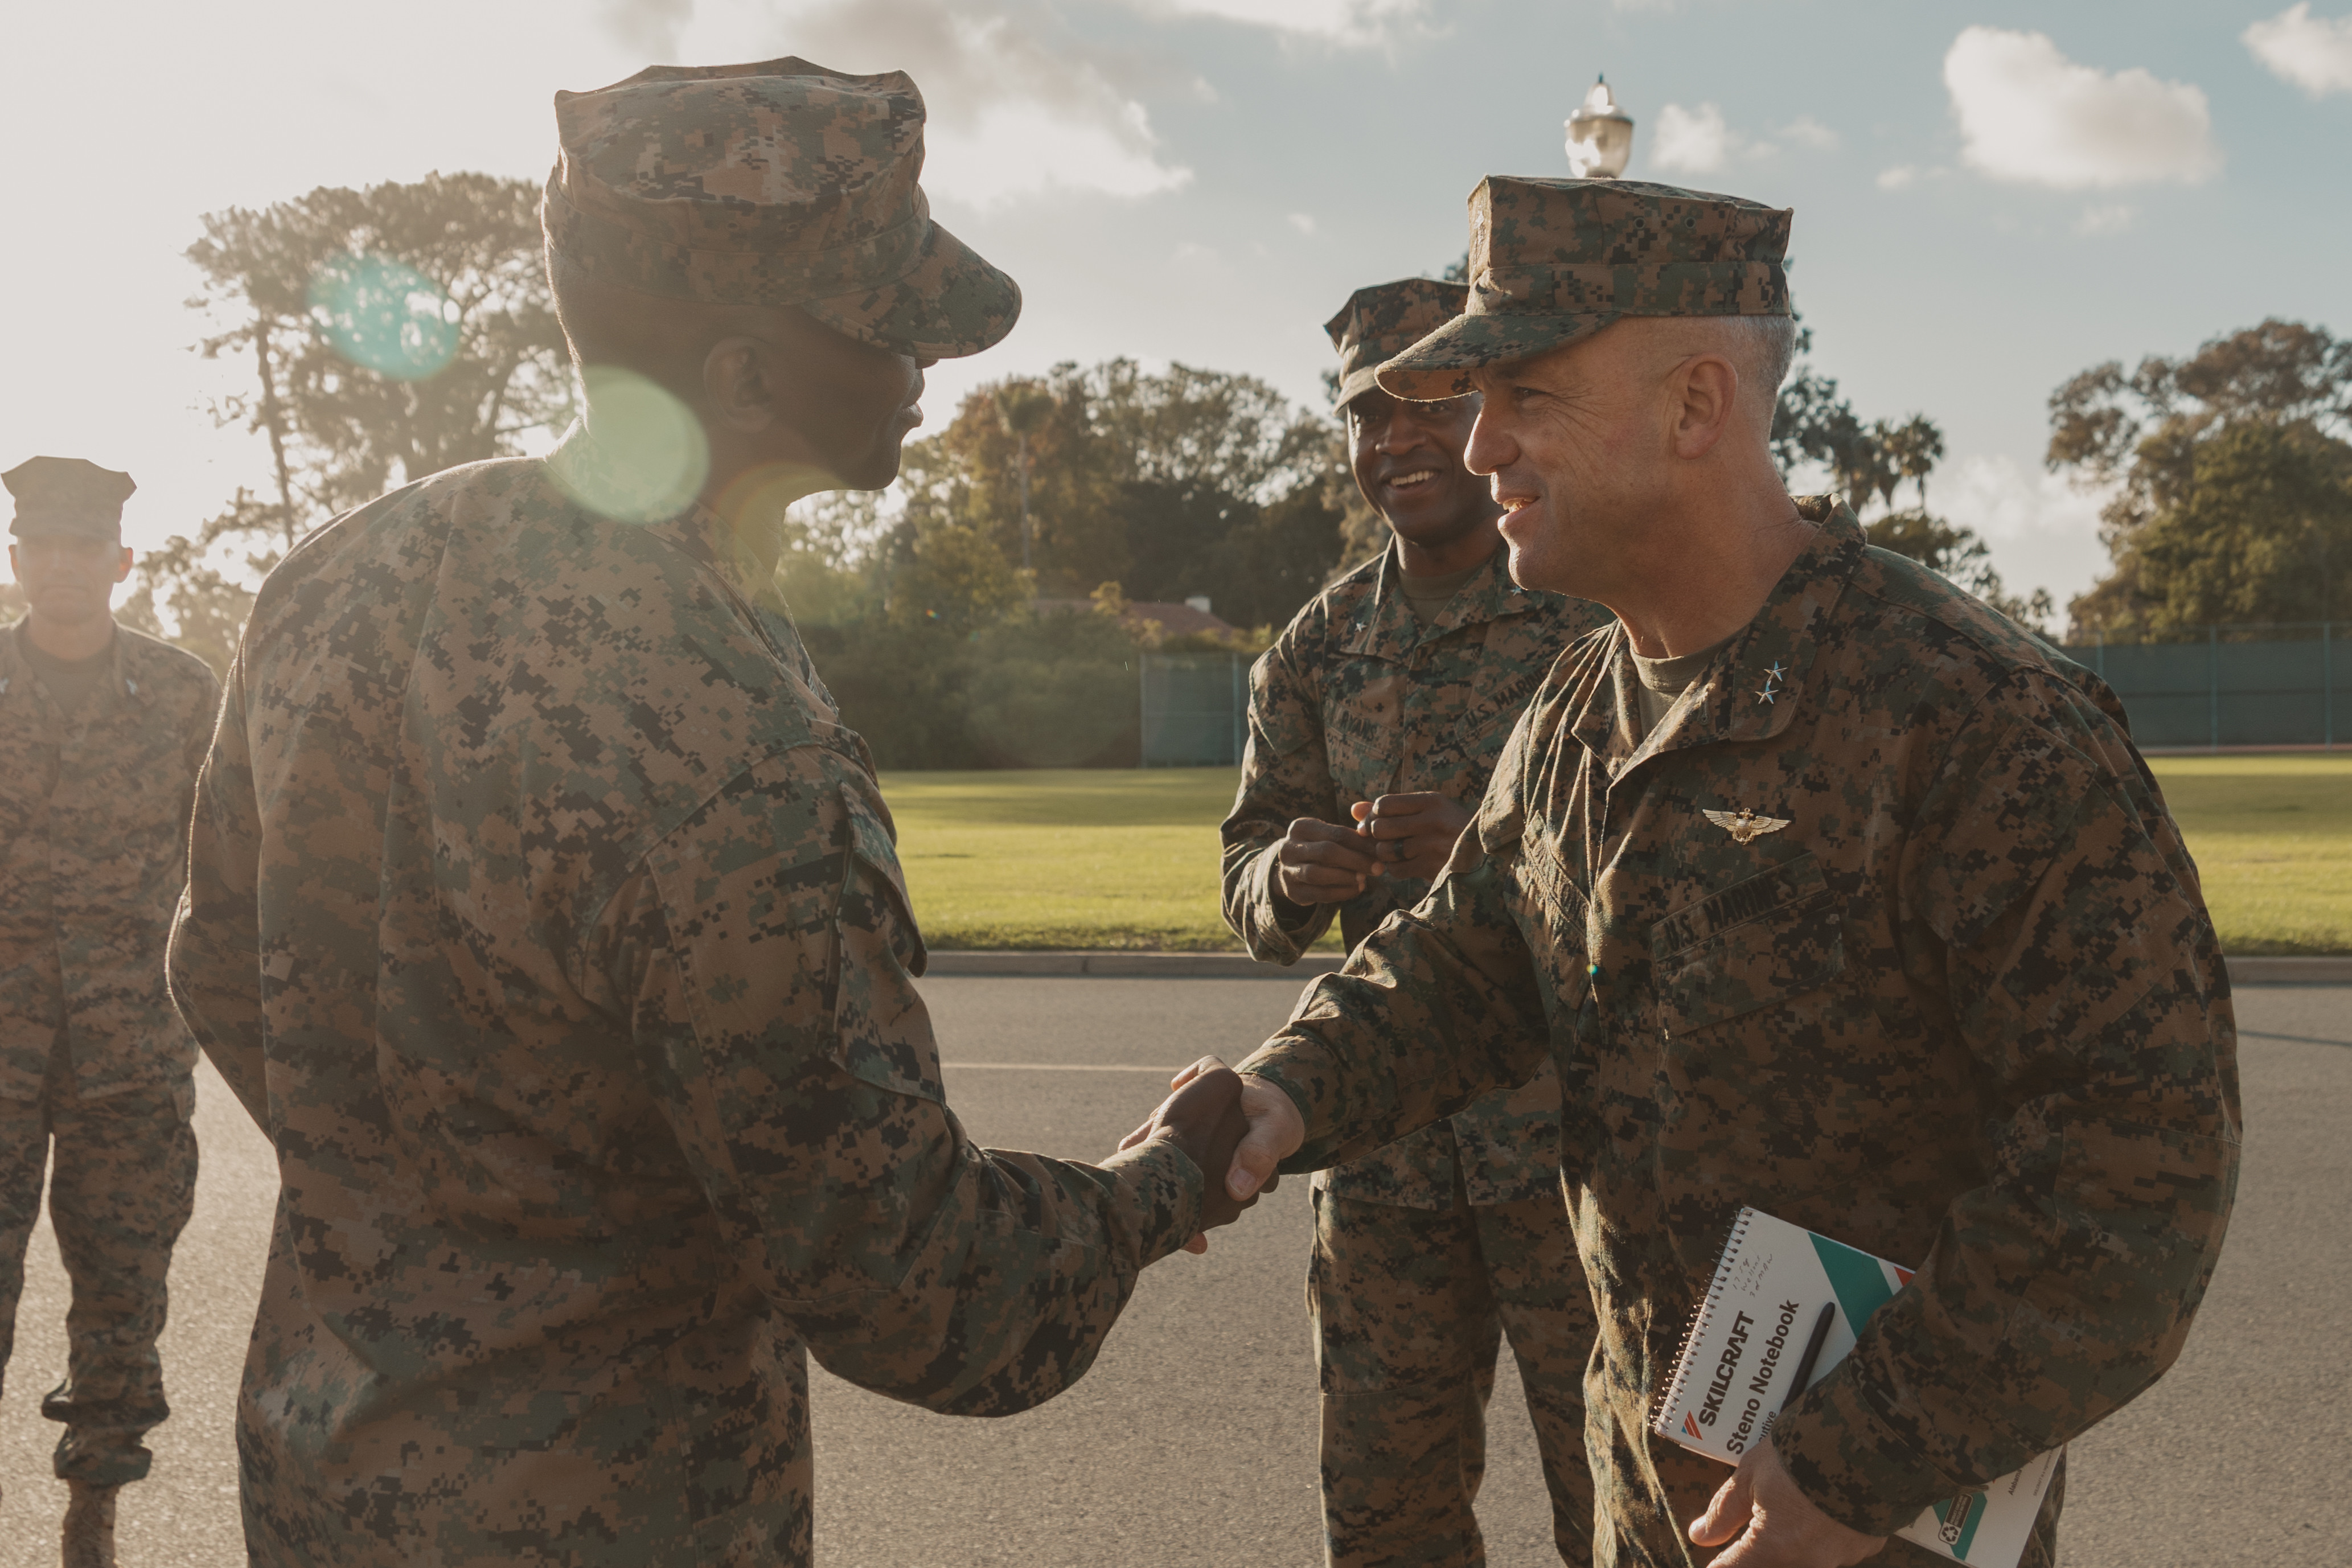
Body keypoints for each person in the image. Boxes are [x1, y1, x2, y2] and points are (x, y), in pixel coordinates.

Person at [166, 59, 1252, 1567]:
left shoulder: (333, 580)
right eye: (888, 324)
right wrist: (1160, 1185)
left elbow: (217, 965)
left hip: (326, 1483)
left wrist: (448, 1195)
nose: (925, 360)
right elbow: (921, 1292)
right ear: (744, 373)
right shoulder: (725, 732)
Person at [1187, 178, 2239, 1568]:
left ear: (1694, 407)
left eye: (1526, 396)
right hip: (1659, 1499)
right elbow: (1466, 961)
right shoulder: (1581, 707)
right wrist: (1282, 1096)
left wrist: (1859, 1459)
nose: (1479, 444)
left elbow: (2135, 1177)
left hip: (1861, 1527)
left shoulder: (1968, 720)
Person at [1220, 276, 1610, 1567]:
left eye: (1428, 406)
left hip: (1572, 1159)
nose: (1392, 443)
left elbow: (1686, 879)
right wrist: (1284, 873)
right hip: (1380, 1155)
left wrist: (1512, 862)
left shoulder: (1594, 617)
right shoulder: (1318, 648)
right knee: (1385, 1511)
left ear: (1494, 407)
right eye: (1362, 416)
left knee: (1619, 1506)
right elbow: (1242, 865)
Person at [0, 457, 219, 1568]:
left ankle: (94, 1517)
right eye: (41, 546)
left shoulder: (185, 696)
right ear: (15, 560)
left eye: (85, 548)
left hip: (129, 1046)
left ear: (121, 563)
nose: (63, 568)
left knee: (123, 1286)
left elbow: (233, 859)